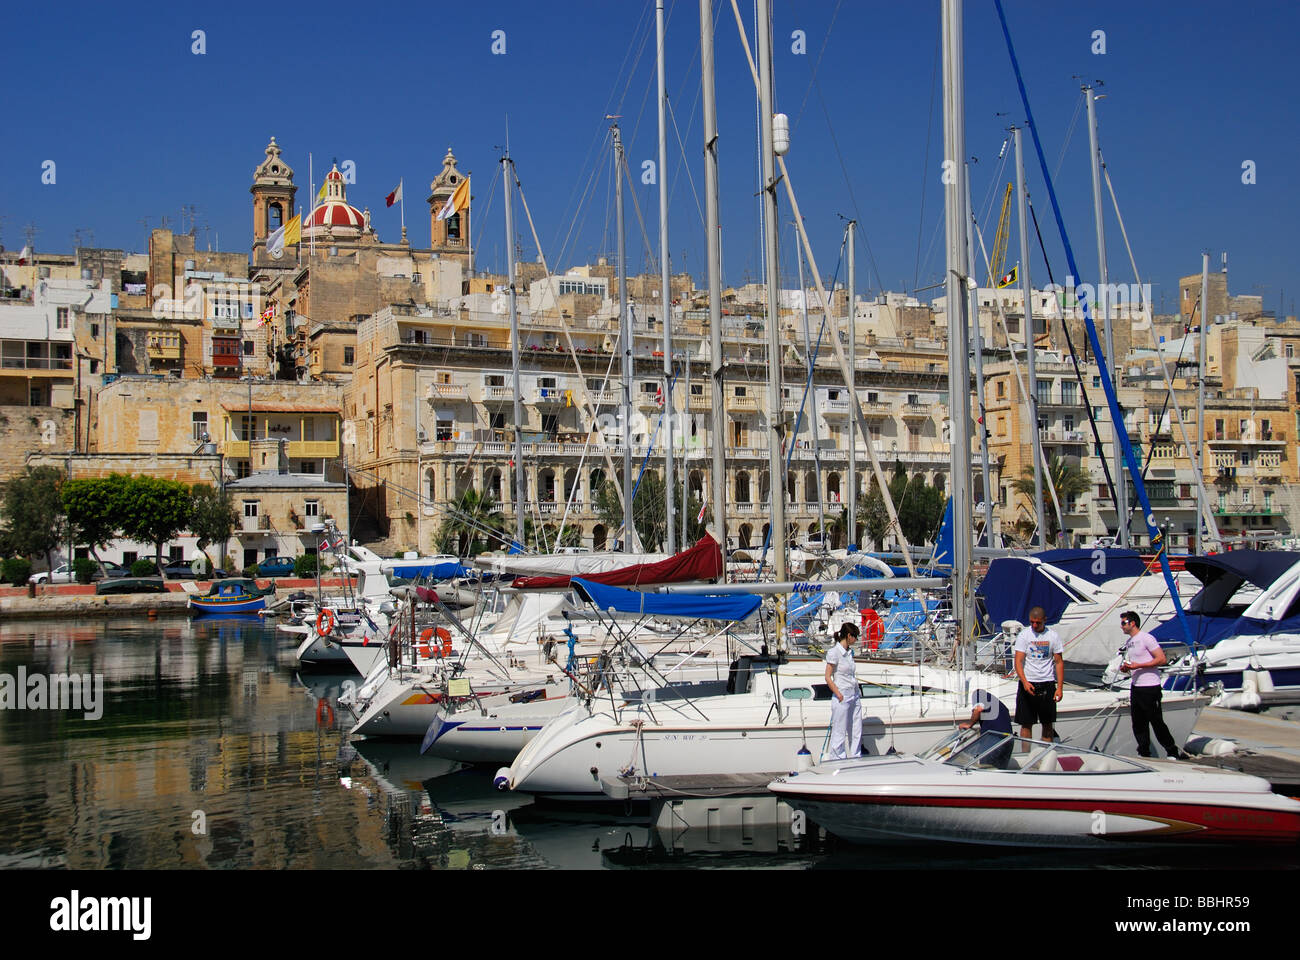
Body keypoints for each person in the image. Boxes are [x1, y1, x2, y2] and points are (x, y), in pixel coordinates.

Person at [1119, 611, 1190, 759]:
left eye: (1124, 623)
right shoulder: (1129, 642)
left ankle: (1172, 751)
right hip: (1136, 686)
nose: (1122, 626)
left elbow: (1161, 659)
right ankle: (1144, 753)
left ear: (1132, 623)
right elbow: (1134, 664)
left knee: (1156, 720)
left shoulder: (1146, 638)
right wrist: (1127, 668)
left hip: (1150, 686)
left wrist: (1140, 665)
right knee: (1138, 722)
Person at [1013, 606, 1064, 745]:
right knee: (1026, 723)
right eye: (1032, 622)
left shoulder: (1053, 636)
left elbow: (1059, 662)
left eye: (1038, 622)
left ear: (1044, 621)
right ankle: (1025, 755)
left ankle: (1045, 754)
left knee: (1047, 724)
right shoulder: (1024, 635)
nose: (1035, 625)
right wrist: (1024, 682)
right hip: (1028, 682)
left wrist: (1059, 688)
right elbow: (1018, 660)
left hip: (1047, 682)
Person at [824, 622, 861, 760]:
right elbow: (828, 676)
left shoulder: (850, 653)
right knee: (839, 731)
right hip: (842, 694)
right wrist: (838, 694)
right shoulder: (835, 652)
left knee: (856, 729)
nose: (856, 640)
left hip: (854, 693)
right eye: (855, 636)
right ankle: (837, 758)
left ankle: (855, 757)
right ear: (849, 636)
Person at [958, 688, 1014, 768]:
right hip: (1009, 740)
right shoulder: (998, 704)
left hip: (994, 739)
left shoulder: (978, 694)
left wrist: (969, 724)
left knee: (985, 769)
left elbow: (978, 710)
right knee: (1000, 773)